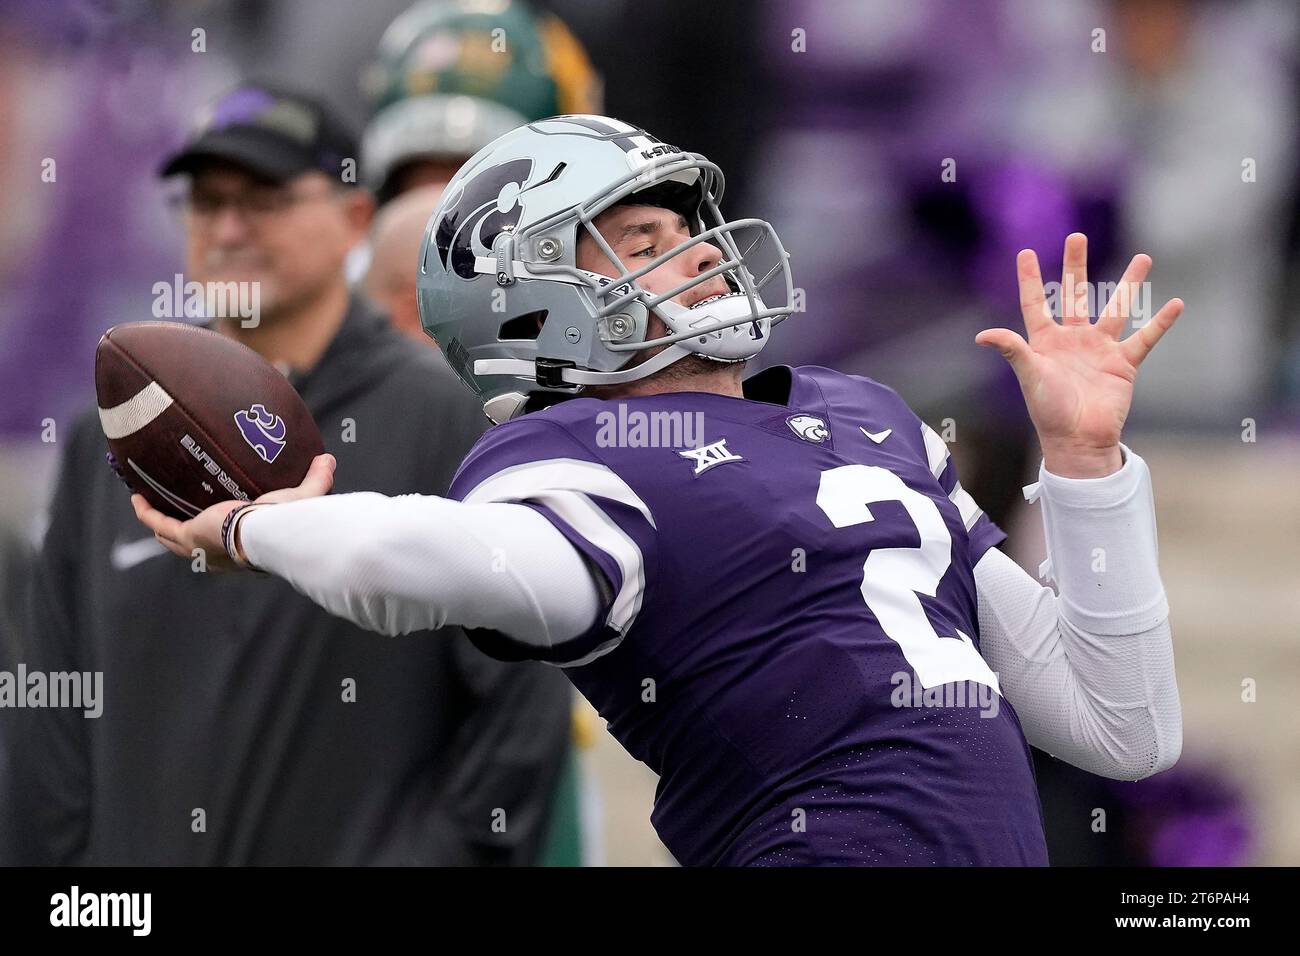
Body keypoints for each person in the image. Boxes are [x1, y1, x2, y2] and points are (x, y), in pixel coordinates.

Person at [133, 114, 1185, 866]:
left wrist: (1084, 464)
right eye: (643, 242)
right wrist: (253, 525)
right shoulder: (576, 454)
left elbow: (1119, 725)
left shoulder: (863, 412)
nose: (696, 255)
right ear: (538, 307)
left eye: (685, 229)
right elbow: (405, 563)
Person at [7, 84, 571, 865]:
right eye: (206, 202)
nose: (229, 228)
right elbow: (50, 718)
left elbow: (519, 717)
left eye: (265, 198)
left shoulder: (449, 417)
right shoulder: (106, 435)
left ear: (354, 221)